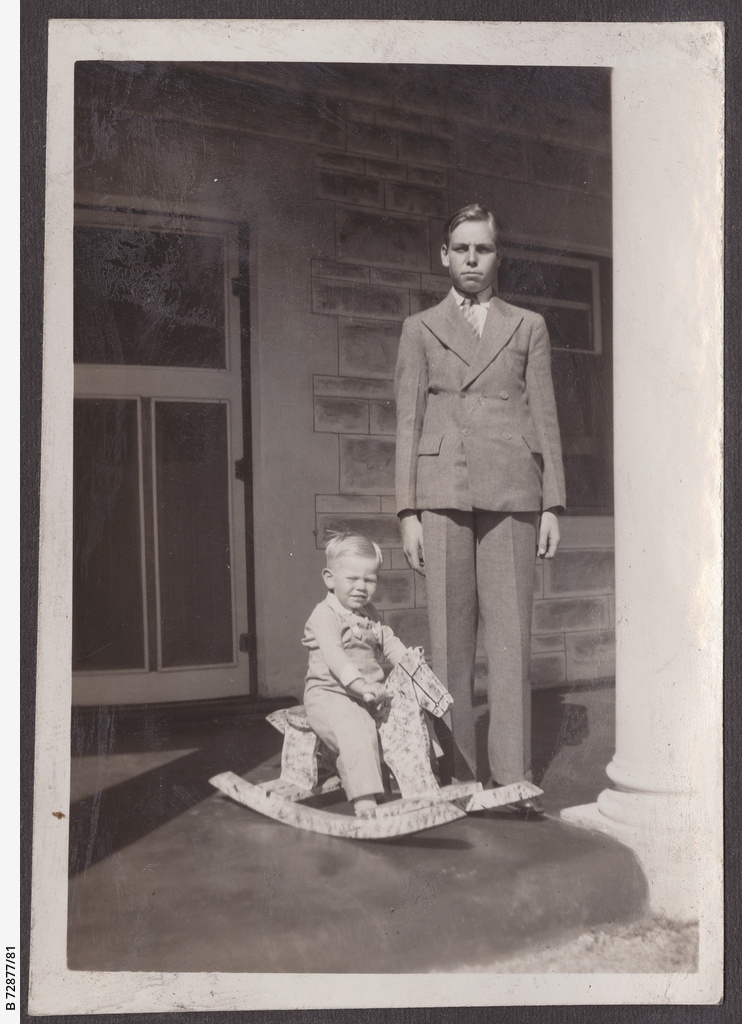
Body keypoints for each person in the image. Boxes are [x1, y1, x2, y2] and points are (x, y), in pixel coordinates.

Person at [394, 203, 566, 811]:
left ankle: (513, 781)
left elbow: (544, 416)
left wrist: (552, 504)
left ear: (498, 255)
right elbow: (407, 422)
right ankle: (455, 778)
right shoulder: (419, 328)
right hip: (441, 492)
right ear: (444, 255)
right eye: (461, 248)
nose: (471, 259)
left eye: (483, 249)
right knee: (448, 641)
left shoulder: (527, 326)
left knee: (511, 637)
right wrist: (407, 512)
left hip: (515, 492)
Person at [302, 532, 408, 817]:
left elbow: (389, 641)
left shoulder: (369, 613)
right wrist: (361, 686)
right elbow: (335, 657)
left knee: (407, 719)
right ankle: (364, 800)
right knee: (355, 728)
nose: (361, 587)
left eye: (369, 579)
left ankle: (421, 785)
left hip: (365, 695)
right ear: (329, 578)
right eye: (352, 579)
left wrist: (410, 665)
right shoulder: (324, 614)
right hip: (329, 695)